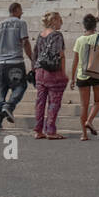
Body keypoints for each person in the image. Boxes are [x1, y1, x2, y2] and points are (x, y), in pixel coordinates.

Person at [0, 1, 34, 132]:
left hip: (1, 64)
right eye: (21, 11)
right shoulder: (21, 23)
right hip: (16, 63)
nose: (22, 13)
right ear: (16, 10)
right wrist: (32, 59)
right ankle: (9, 105)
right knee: (21, 86)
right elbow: (25, 42)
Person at [69, 13, 99, 141]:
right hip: (97, 73)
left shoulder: (79, 40)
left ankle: (84, 134)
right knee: (98, 101)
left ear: (84, 25)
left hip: (82, 75)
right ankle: (89, 120)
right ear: (95, 25)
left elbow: (75, 61)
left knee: (84, 105)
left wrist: (72, 78)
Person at [33, 10, 68, 140]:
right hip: (53, 72)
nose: (61, 22)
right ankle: (50, 130)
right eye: (59, 20)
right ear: (53, 21)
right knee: (54, 101)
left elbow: (35, 53)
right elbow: (60, 55)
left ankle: (38, 130)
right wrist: (64, 73)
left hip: (39, 71)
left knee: (40, 102)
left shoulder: (40, 35)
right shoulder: (57, 36)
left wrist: (34, 68)